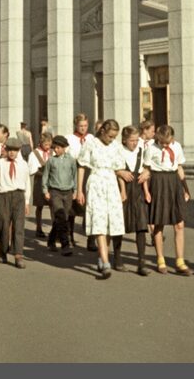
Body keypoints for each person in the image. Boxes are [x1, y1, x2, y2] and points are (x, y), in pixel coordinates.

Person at [75, 119, 126, 279]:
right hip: (96, 182)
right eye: (110, 136)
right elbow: (82, 166)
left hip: (111, 184)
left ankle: (101, 257)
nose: (112, 139)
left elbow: (119, 169)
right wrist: (79, 190)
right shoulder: (91, 143)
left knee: (110, 223)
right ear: (103, 131)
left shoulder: (116, 146)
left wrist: (123, 189)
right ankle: (105, 262)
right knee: (98, 221)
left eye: (114, 137)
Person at [143, 124, 192, 276]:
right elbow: (146, 171)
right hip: (158, 182)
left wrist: (185, 187)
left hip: (174, 183)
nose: (165, 145)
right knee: (159, 223)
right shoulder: (151, 148)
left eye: (167, 142)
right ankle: (160, 259)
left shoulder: (176, 147)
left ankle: (180, 261)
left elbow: (179, 168)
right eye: (162, 142)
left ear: (172, 138)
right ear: (157, 137)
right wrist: (146, 191)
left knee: (179, 224)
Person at [0, 135, 30, 268]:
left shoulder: (23, 164)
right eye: (10, 149)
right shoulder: (0, 163)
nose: (12, 152)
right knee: (3, 225)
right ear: (6, 149)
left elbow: (27, 183)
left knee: (18, 226)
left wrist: (27, 201)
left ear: (19, 151)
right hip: (3, 196)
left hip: (18, 197)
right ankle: (3, 251)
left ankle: (18, 255)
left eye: (15, 150)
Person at [116, 125, 151, 276]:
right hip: (123, 191)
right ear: (124, 140)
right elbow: (115, 169)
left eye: (137, 140)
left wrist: (147, 176)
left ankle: (141, 262)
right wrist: (120, 172)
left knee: (141, 225)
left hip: (138, 190)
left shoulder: (141, 151)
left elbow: (146, 168)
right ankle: (117, 259)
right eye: (131, 140)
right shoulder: (118, 151)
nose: (135, 143)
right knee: (119, 225)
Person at [42, 136, 76, 256]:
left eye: (58, 147)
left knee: (62, 218)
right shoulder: (51, 161)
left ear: (64, 148)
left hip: (68, 192)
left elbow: (74, 175)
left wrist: (75, 190)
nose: (55, 150)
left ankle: (51, 240)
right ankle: (65, 245)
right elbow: (45, 176)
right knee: (61, 216)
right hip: (55, 192)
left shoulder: (71, 160)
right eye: (54, 147)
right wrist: (45, 190)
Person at [66, 113, 95, 248]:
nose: (83, 128)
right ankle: (69, 236)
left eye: (85, 125)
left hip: (88, 171)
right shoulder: (70, 139)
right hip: (74, 170)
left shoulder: (91, 138)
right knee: (72, 207)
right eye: (80, 126)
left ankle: (91, 239)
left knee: (90, 207)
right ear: (76, 125)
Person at [28, 132, 53, 239]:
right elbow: (31, 169)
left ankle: (54, 229)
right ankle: (39, 228)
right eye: (45, 144)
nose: (48, 146)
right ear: (41, 143)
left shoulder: (53, 152)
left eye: (49, 144)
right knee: (40, 205)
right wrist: (43, 173)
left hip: (52, 182)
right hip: (40, 181)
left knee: (53, 205)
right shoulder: (34, 153)